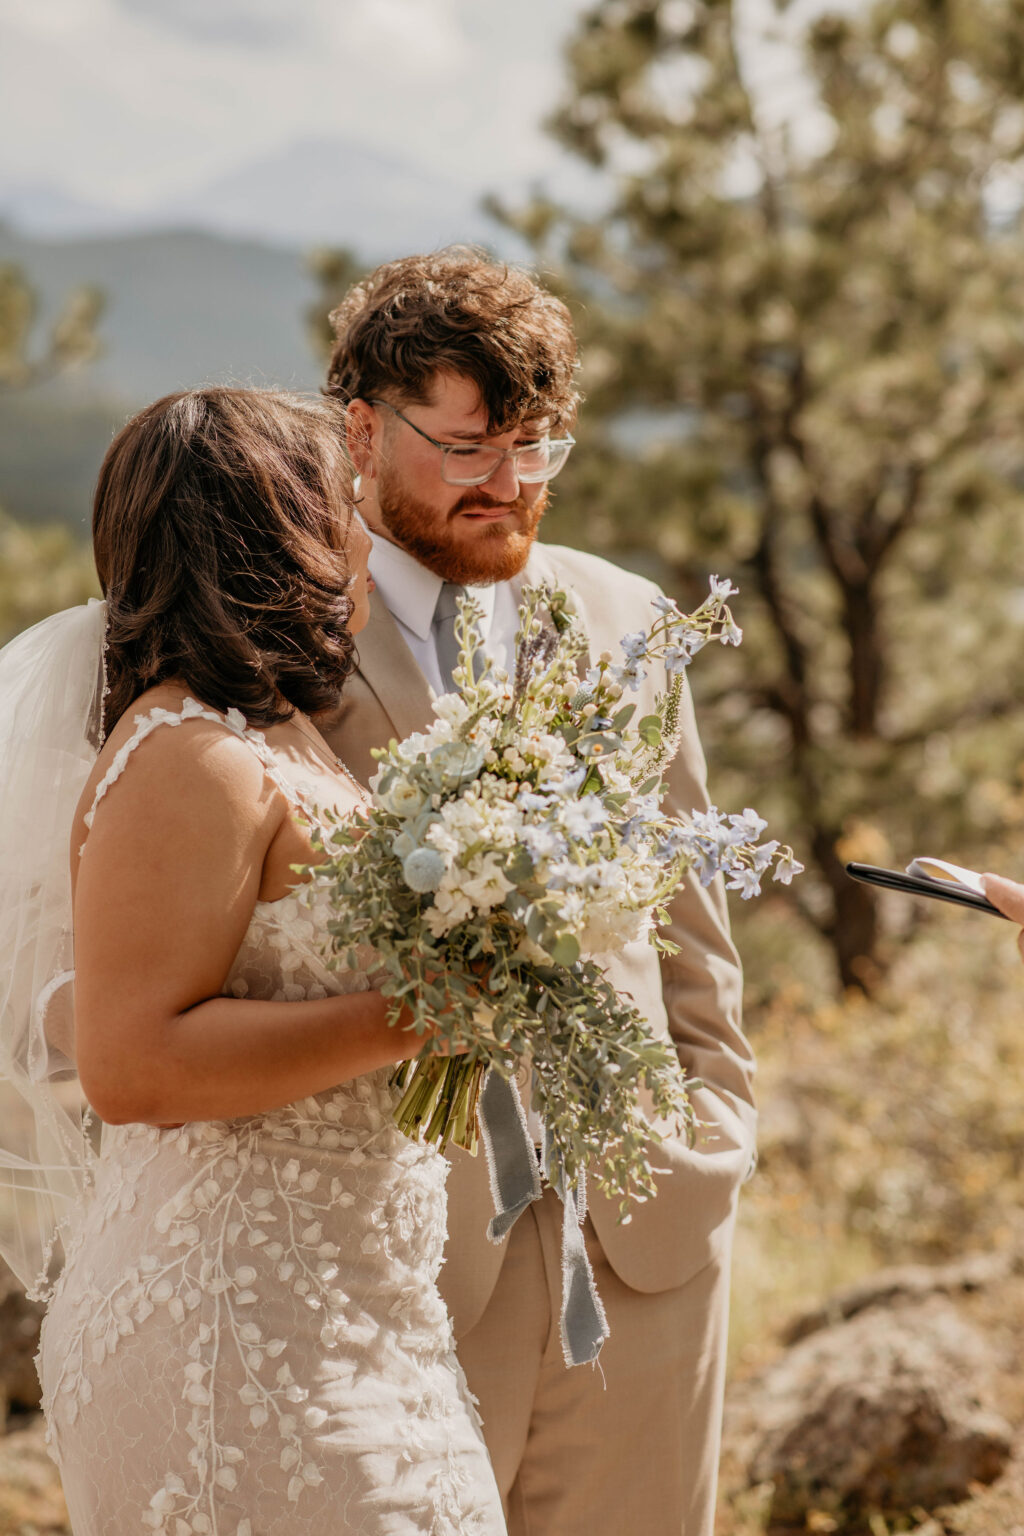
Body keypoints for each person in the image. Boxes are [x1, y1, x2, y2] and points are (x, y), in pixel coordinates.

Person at [1, 388, 506, 1535]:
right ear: (285, 530)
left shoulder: (277, 734)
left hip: (348, 1306)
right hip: (235, 1331)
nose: (365, 535)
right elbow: (133, 1066)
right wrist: (423, 1010)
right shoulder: (189, 756)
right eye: (343, 504)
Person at [319, 249, 756, 1536]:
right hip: (397, 1272)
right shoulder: (275, 635)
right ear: (362, 428)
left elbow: (692, 935)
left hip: (645, 1252)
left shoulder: (627, 620)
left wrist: (713, 1135)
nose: (510, 487)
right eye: (466, 449)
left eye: (538, 447)